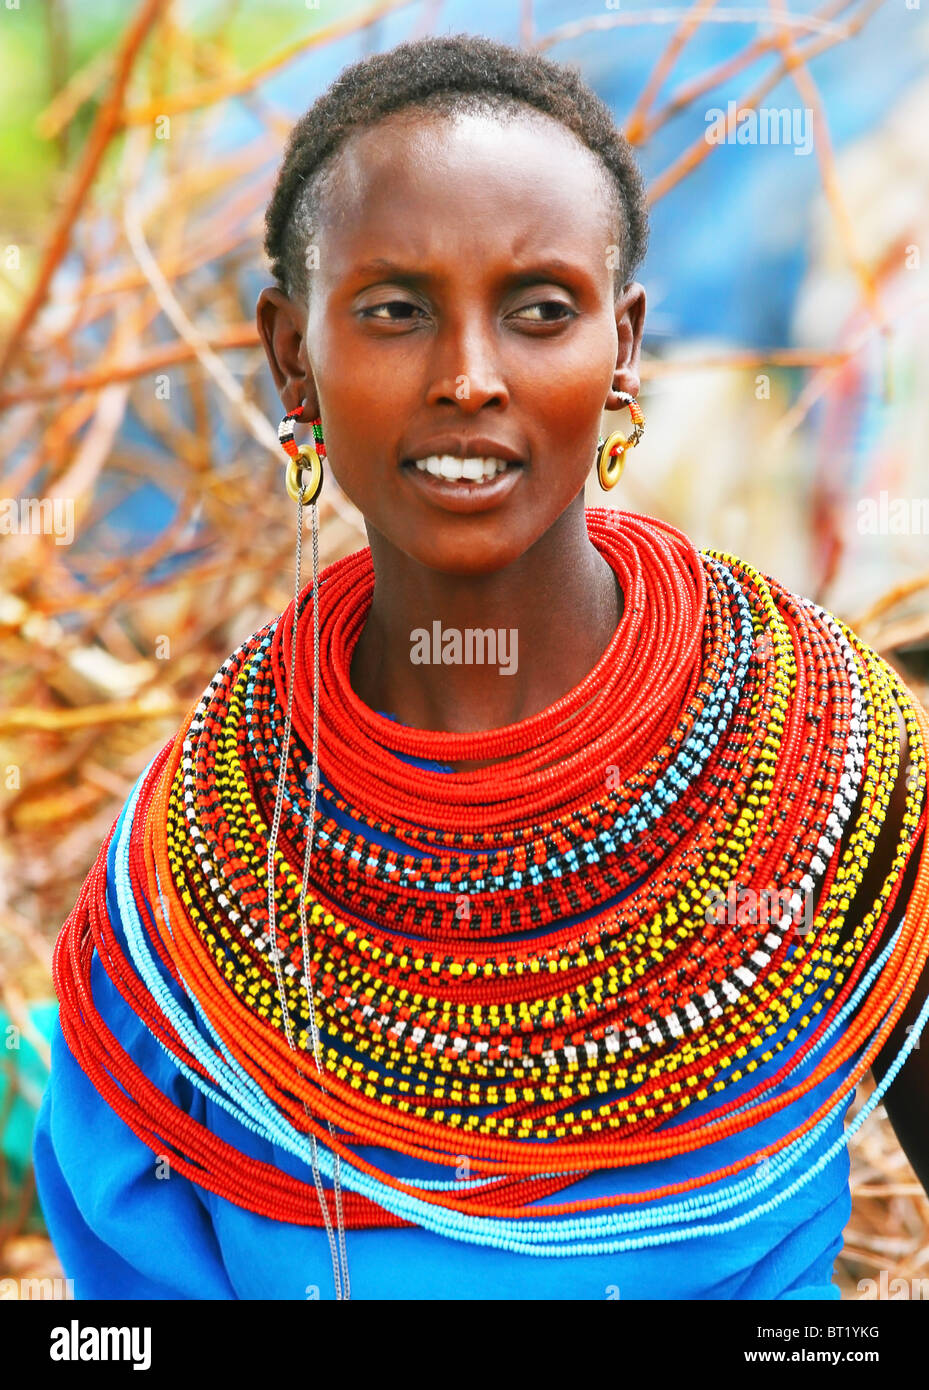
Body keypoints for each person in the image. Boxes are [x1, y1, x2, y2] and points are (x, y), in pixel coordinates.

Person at [33, 33, 929, 1301]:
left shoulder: (826, 779)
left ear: (622, 352)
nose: (468, 377)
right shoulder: (188, 883)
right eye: (395, 310)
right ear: (293, 356)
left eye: (539, 311)